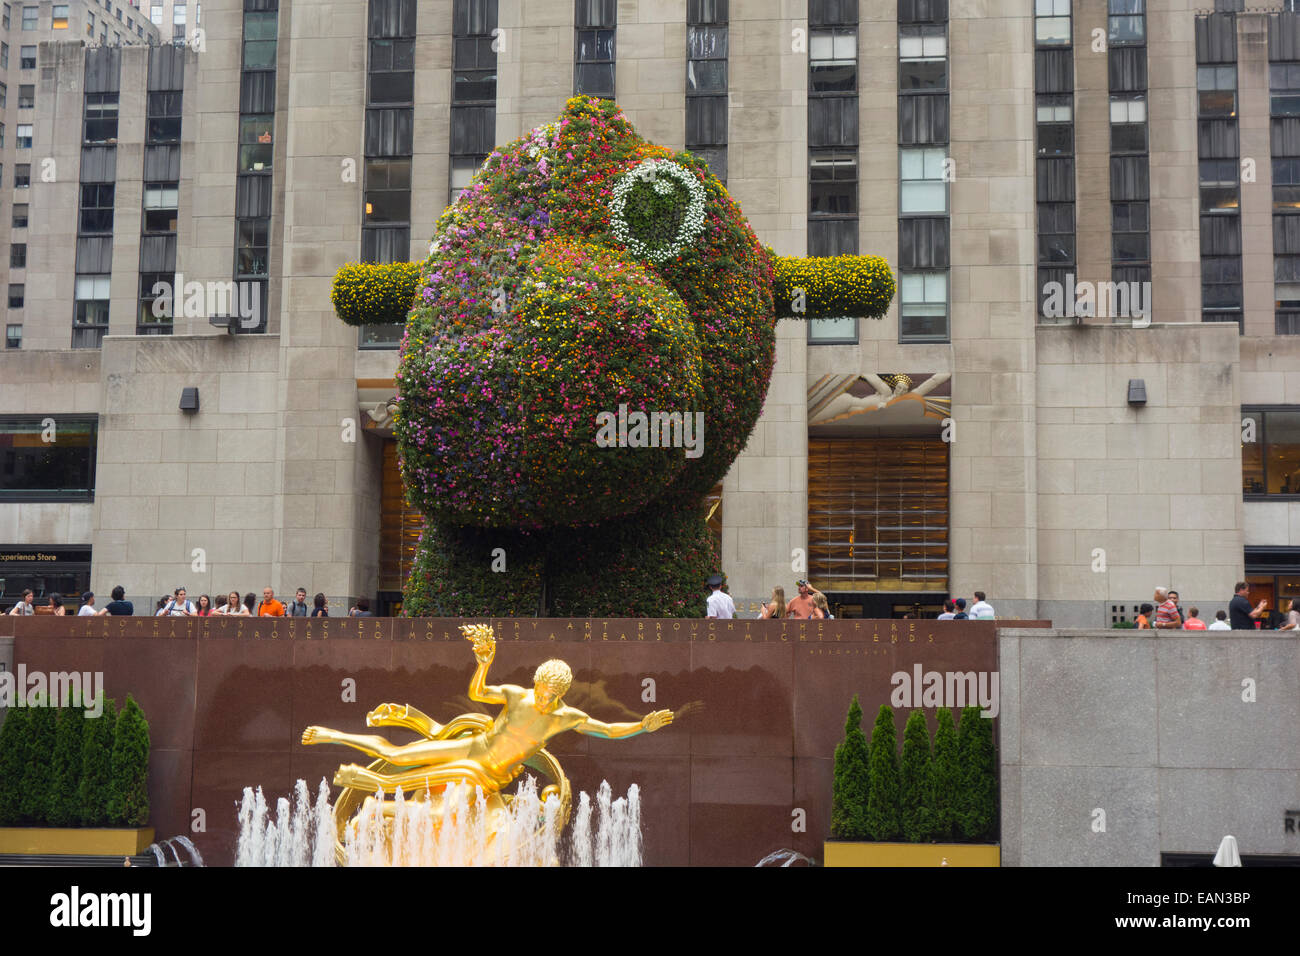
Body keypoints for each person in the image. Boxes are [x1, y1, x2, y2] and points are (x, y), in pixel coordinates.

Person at [302, 624, 673, 796]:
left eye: (549, 696)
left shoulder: (565, 717)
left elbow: (607, 730)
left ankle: (375, 784)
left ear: (561, 693)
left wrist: (643, 725)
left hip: (491, 774)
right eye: (540, 691)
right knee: (399, 755)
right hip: (472, 749)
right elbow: (477, 691)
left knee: (415, 781)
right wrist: (484, 662)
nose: (542, 699)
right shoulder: (517, 694)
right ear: (537, 683)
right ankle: (334, 735)